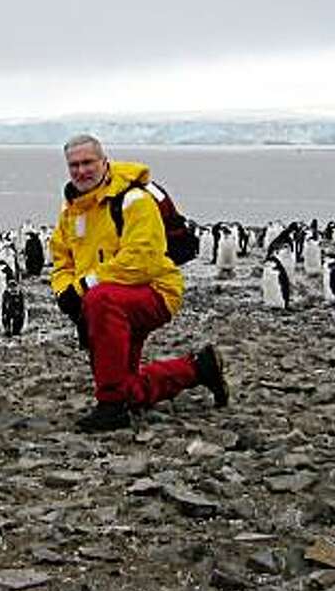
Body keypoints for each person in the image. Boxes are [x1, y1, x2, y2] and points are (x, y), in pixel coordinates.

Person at [50, 133, 228, 432]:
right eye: (74, 165)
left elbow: (142, 259)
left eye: (88, 162)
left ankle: (110, 408)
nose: (81, 171)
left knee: (100, 302)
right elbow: (61, 259)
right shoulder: (72, 210)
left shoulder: (134, 200)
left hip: (153, 292)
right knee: (123, 385)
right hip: (107, 302)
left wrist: (82, 289)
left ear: (105, 162)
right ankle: (198, 368)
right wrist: (64, 291)